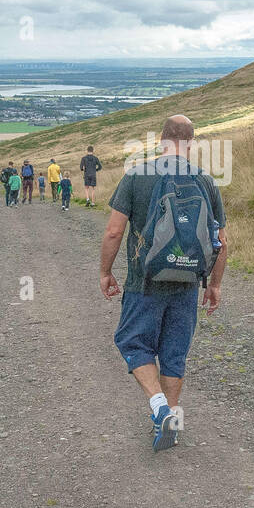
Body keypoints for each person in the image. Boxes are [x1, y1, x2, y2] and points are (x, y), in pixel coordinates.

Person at [100, 115, 227, 451]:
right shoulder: (204, 180)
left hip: (145, 282)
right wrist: (213, 285)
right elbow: (221, 242)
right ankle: (169, 422)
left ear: (161, 140)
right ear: (191, 143)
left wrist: (105, 272)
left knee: (133, 342)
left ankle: (159, 408)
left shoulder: (137, 174)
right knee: (174, 354)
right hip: (187, 283)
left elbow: (114, 231)